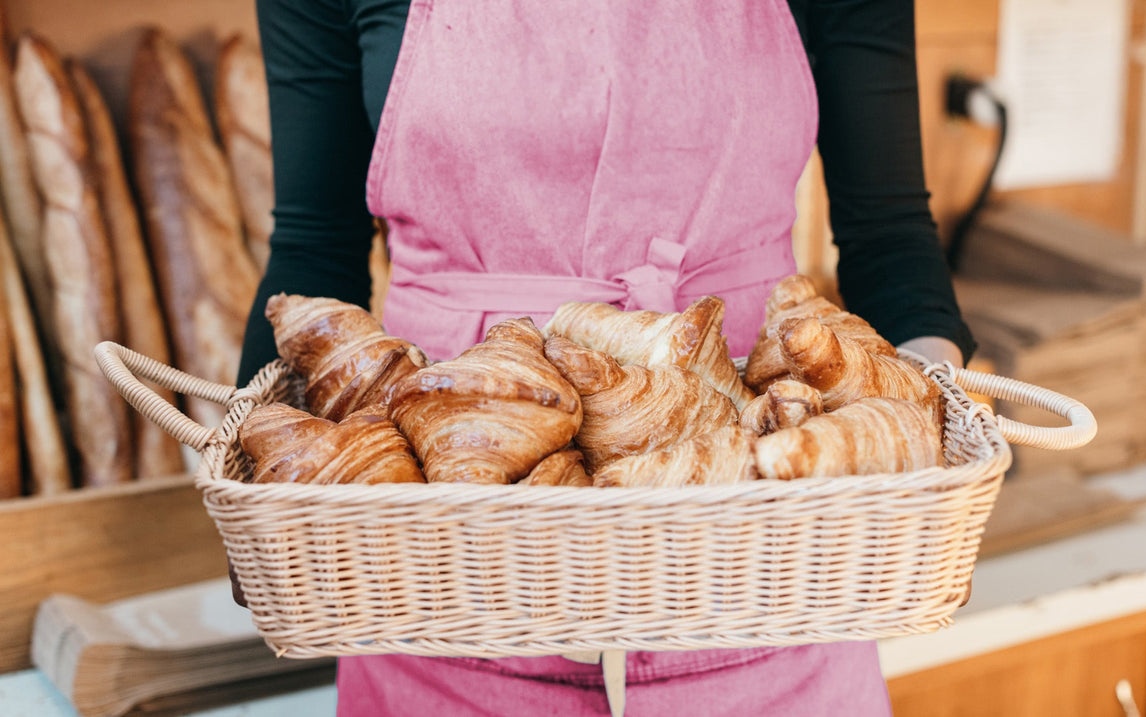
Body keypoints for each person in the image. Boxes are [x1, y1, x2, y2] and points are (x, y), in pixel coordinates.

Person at [236, 1, 976, 714]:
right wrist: (253, 474)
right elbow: (316, 245)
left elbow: (888, 236)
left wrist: (925, 430)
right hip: (442, 577)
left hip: (772, 559)